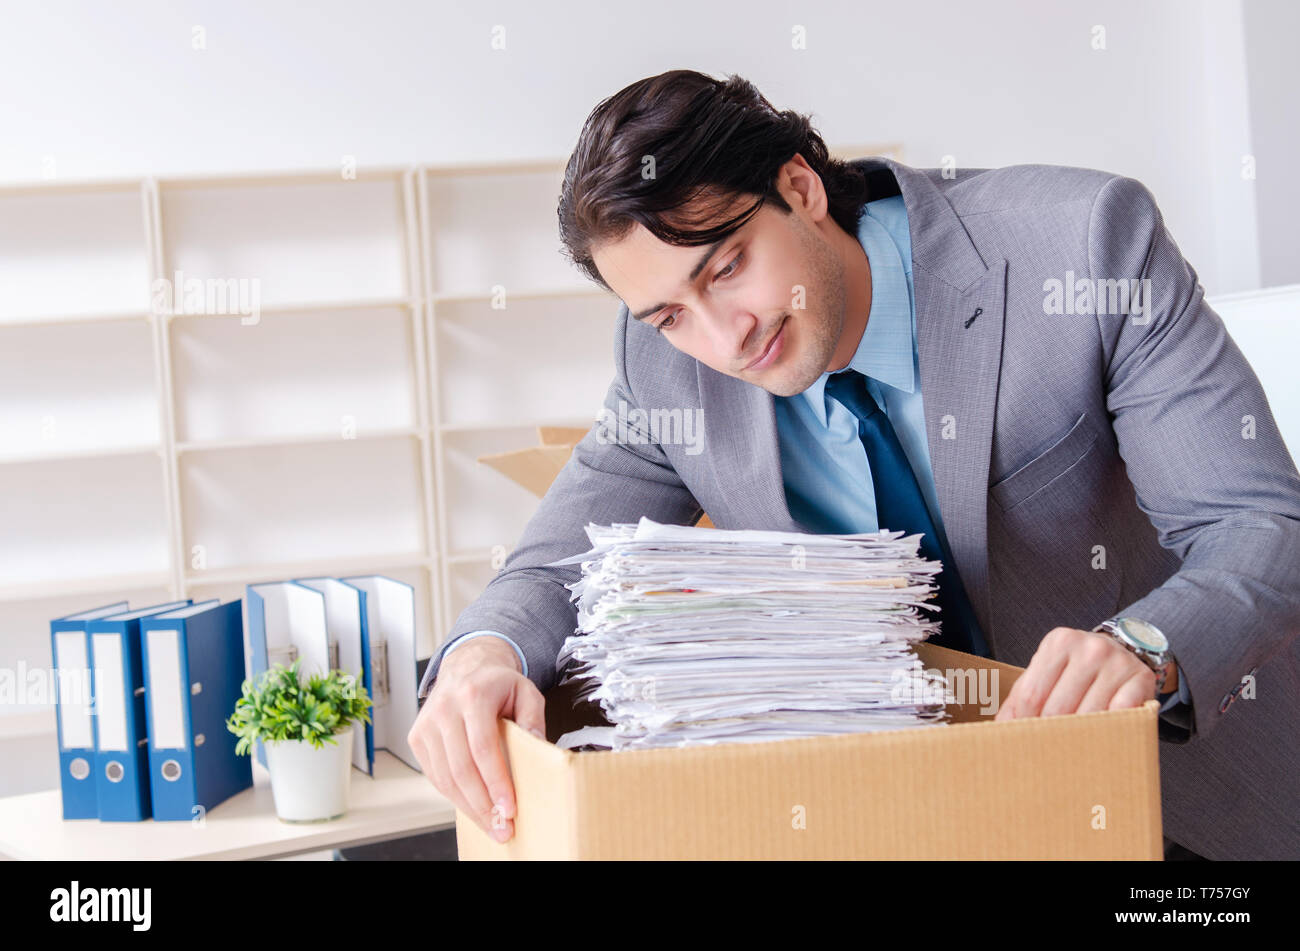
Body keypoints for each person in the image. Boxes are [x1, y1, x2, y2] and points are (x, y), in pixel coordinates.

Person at [407, 69, 1300, 860]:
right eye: (670, 313)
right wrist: (482, 655)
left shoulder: (1085, 245)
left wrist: (1145, 647)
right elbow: (555, 562)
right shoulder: (663, 364)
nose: (724, 339)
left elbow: (1258, 524)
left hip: (1185, 807)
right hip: (902, 821)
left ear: (800, 186)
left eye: (726, 268)